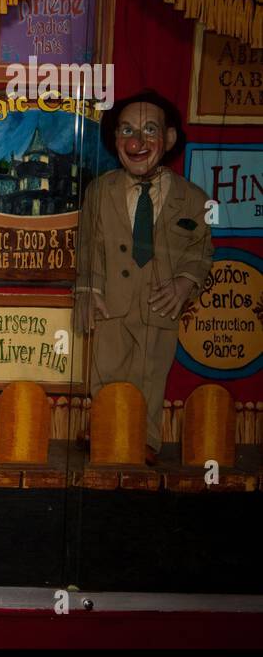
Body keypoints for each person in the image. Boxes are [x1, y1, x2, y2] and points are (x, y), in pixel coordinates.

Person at [73, 89, 214, 465]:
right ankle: (103, 428)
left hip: (159, 304)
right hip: (111, 303)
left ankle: (147, 439)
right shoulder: (100, 191)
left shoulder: (194, 199)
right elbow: (87, 246)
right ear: (115, 139)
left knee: (151, 372)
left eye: (149, 130)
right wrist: (88, 288)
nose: (137, 142)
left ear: (168, 139)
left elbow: (201, 251)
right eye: (127, 131)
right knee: (107, 367)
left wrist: (185, 281)